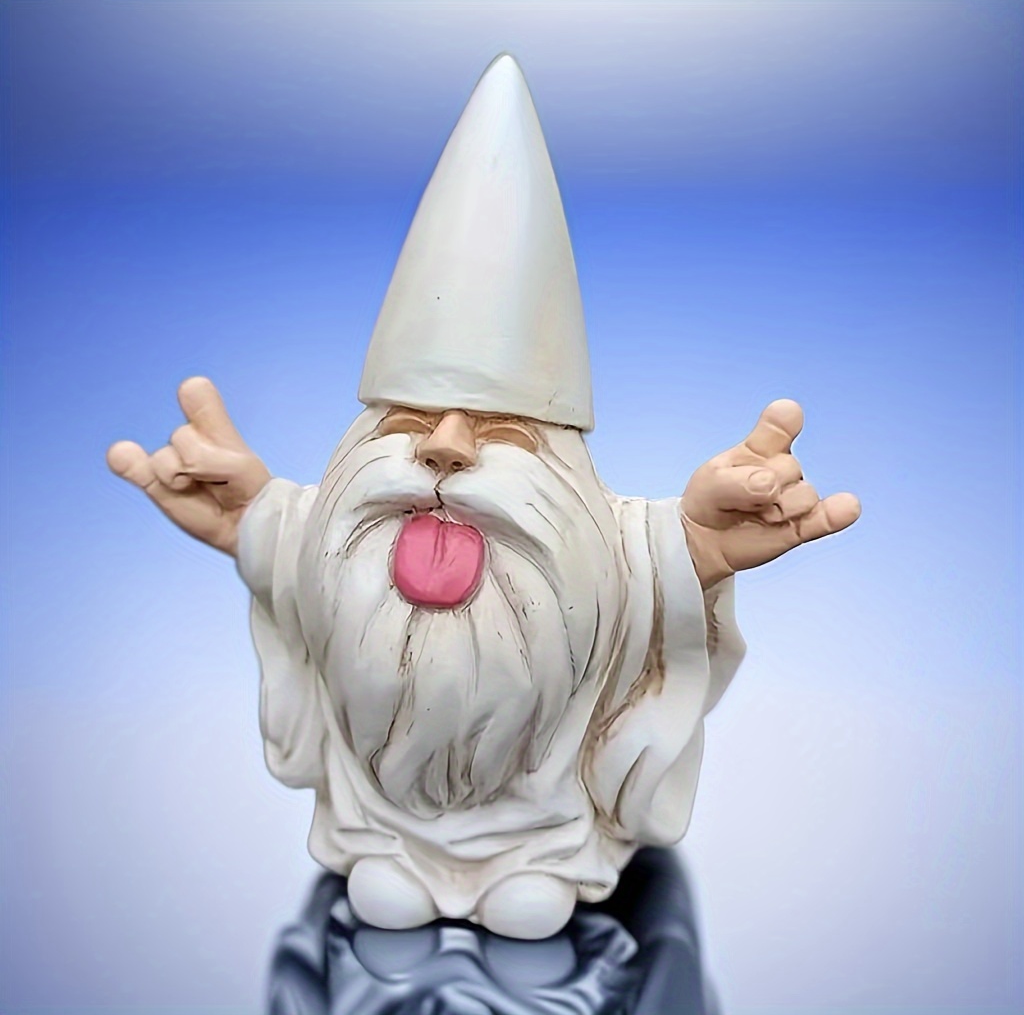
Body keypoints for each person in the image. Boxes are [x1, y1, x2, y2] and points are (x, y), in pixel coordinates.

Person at [107, 55, 860, 940]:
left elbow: (629, 572)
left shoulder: (595, 548)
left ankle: (534, 856)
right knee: (383, 893)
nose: (445, 447)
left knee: (529, 904)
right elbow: (315, 560)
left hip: (547, 828)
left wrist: (693, 547)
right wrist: (256, 523)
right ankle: (395, 844)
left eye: (502, 431)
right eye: (409, 421)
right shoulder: (336, 534)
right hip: (377, 824)